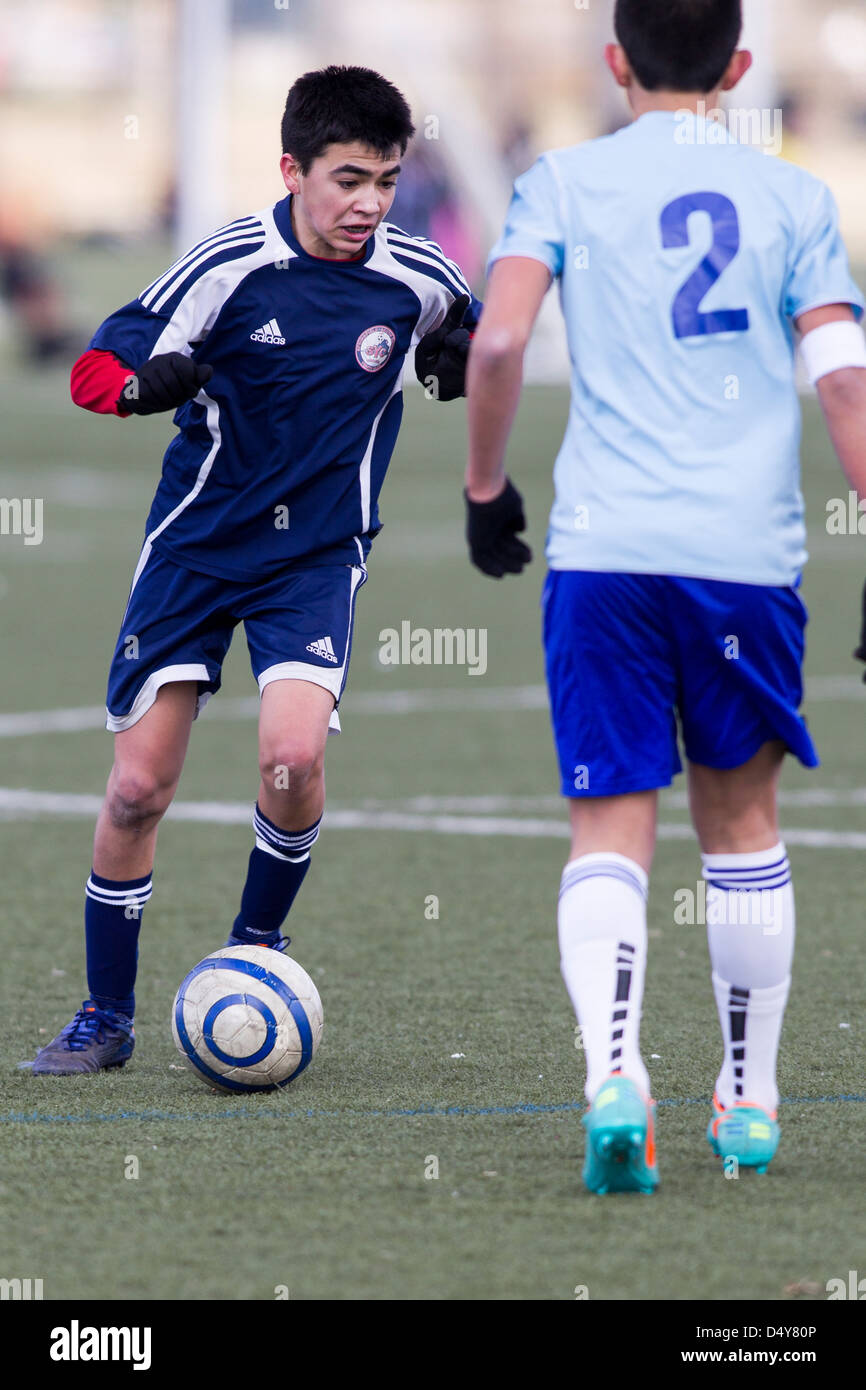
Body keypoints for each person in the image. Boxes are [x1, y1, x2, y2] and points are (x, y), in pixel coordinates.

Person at [464, 0, 866, 1193]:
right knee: (740, 827)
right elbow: (841, 386)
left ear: (614, 63)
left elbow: (495, 347)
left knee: (608, 825)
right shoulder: (791, 198)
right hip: (742, 557)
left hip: (604, 551)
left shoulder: (561, 180)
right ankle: (745, 1102)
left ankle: (613, 1078)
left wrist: (487, 487)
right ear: (736, 67)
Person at [29, 64, 480, 1075]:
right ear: (292, 170)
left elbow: (475, 331)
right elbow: (94, 367)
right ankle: (105, 1014)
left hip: (315, 555)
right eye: (348, 180)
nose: (368, 204)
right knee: (138, 788)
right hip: (197, 548)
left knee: (292, 759)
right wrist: (144, 387)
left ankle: (257, 950)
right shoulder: (230, 263)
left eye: (386, 181)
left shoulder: (413, 273)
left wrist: (463, 355)